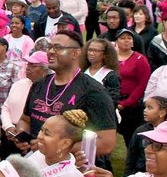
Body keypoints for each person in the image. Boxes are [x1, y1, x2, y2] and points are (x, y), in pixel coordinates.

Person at [8, 30, 118, 158]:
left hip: (73, 167)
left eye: (58, 48)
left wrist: (56, 148)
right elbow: (25, 120)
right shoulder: (39, 84)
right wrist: (22, 134)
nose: (51, 51)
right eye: (50, 47)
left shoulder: (94, 91)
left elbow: (106, 143)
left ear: (76, 53)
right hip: (36, 160)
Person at [81, 38, 121, 106]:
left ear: (105, 54)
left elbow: (113, 100)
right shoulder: (82, 72)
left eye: (96, 51)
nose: (91, 53)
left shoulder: (110, 75)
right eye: (89, 50)